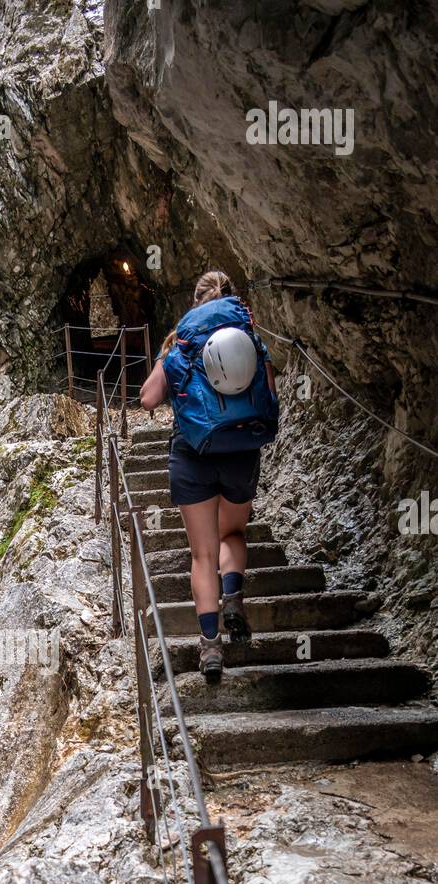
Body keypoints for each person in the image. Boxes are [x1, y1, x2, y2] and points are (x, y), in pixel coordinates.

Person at [139, 270, 277, 683]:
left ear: (195, 300)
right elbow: (268, 392)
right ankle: (233, 595)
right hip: (240, 452)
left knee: (202, 555)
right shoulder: (250, 337)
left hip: (193, 453)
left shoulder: (180, 340)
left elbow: (147, 398)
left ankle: (210, 647)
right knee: (232, 535)